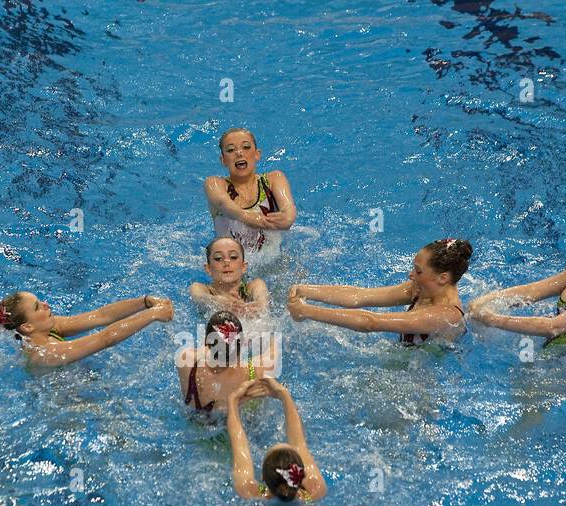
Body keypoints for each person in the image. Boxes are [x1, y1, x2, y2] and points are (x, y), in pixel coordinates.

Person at [288, 238, 471, 344]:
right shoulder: (421, 290)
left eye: (418, 270)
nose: (410, 275)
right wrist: (305, 290)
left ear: (443, 278)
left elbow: (371, 322)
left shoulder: (445, 316)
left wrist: (307, 312)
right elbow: (359, 296)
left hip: (417, 389)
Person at [0, 291, 173, 367]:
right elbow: (105, 339)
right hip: (71, 408)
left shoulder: (49, 328)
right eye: (38, 307)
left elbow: (101, 316)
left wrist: (145, 302)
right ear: (27, 327)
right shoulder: (44, 353)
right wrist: (153, 315)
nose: (45, 304)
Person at [226, 377, 326, 502]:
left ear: (263, 477)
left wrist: (233, 400)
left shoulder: (249, 493)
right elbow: (299, 443)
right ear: (302, 474)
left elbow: (239, 445)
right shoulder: (316, 490)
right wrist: (284, 394)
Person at [202, 128, 296, 253]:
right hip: (231, 265)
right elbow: (222, 202)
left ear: (257, 154)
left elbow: (288, 208)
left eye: (246, 147)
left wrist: (288, 219)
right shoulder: (215, 183)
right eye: (230, 150)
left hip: (275, 261)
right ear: (223, 160)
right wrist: (247, 217)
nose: (239, 153)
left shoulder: (274, 179)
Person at [178, 310, 277, 414]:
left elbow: (206, 349)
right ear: (242, 344)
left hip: (194, 422)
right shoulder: (251, 374)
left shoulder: (186, 359)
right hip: (232, 427)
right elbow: (273, 353)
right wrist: (272, 335)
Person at [189, 236, 268, 316]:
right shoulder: (200, 288)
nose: (226, 263)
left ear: (244, 267)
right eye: (218, 258)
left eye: (233, 257)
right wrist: (217, 301)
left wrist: (255, 308)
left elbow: (262, 301)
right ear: (208, 269)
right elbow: (199, 297)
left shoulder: (254, 286)